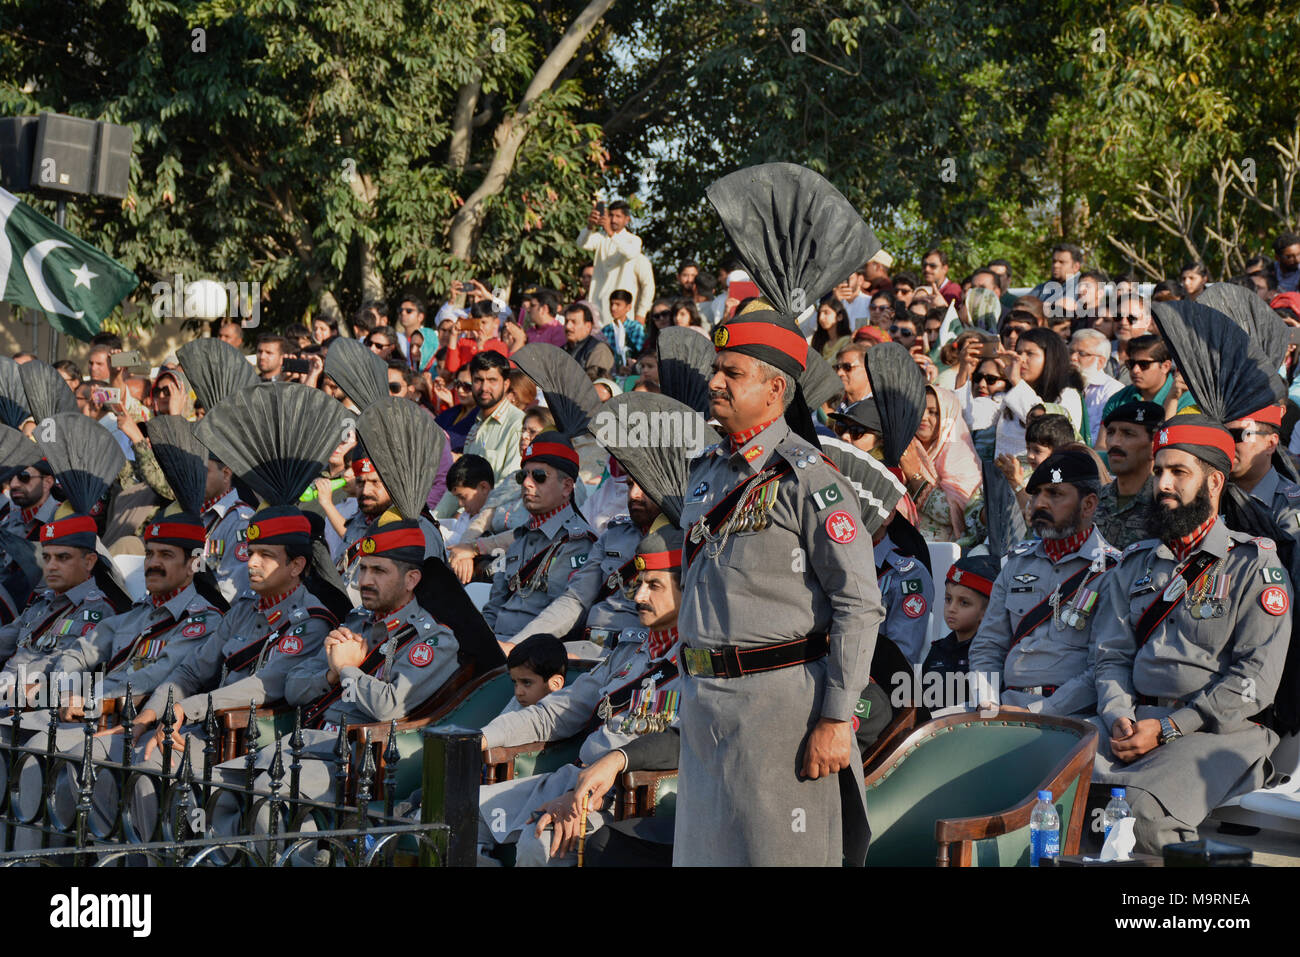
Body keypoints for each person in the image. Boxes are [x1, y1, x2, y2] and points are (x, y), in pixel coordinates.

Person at [675, 299, 881, 867]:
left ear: (774, 389)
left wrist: (838, 718)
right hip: (703, 705)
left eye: (732, 373)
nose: (714, 381)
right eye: (716, 369)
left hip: (781, 713)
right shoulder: (706, 471)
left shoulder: (809, 479)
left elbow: (859, 603)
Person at [1090, 416, 1292, 853]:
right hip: (1131, 723)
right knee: (1043, 769)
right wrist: (1118, 715)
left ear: (1214, 482)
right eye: (1159, 470)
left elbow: (1254, 678)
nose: (1162, 483)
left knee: (1140, 812)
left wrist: (1168, 728)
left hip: (1219, 733)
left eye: (1178, 472)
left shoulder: (1254, 565)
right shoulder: (1136, 563)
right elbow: (1110, 656)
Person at [478, 525, 685, 866]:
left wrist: (583, 797)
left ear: (686, 588)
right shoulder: (631, 648)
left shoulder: (697, 662)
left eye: (654, 586)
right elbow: (559, 710)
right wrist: (482, 737)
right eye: (638, 584)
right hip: (574, 781)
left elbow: (680, 742)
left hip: (624, 797)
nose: (638, 597)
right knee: (466, 815)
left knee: (539, 844)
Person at [969, 448, 1120, 716]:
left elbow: (1104, 664)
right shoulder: (1015, 563)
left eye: (1054, 494)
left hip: (1073, 715)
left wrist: (1042, 711)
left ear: (1088, 504)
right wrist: (987, 703)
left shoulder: (1112, 571)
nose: (1039, 503)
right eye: (1037, 493)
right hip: (1004, 706)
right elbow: (988, 646)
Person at [479, 433, 596, 645]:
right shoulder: (521, 537)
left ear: (567, 486)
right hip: (498, 648)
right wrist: (481, 643)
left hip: (534, 654)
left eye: (539, 476)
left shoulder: (577, 542)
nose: (527, 483)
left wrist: (514, 646)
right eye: (522, 476)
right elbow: (495, 605)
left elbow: (566, 611)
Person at [921, 555, 1002, 709]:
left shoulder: (992, 657)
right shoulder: (938, 650)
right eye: (948, 599)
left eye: (964, 603)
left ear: (987, 611)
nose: (951, 608)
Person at [995, 326, 1083, 459]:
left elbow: (1047, 429)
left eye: (1030, 353)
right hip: (1002, 475)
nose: (1021, 359)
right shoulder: (1011, 392)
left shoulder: (1067, 395)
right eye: (1019, 353)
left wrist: (1016, 382)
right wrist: (964, 371)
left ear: (1050, 358)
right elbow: (974, 419)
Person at [914, 385, 982, 542]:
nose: (923, 417)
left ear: (948, 417)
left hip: (946, 552)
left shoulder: (963, 460)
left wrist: (914, 476)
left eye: (933, 412)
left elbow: (957, 514)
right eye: (919, 409)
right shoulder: (907, 448)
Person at [1225, 402, 1300, 540]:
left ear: (1270, 444)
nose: (1228, 444)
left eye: (1239, 435)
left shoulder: (1291, 506)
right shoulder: (1212, 496)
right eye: (1224, 435)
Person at [1094, 401, 1163, 549]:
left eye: (1128, 434)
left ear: (1154, 446)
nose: (1114, 442)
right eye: (1110, 433)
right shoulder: (1093, 502)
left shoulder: (1163, 504)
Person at [578, 200, 642, 320]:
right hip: (598, 302)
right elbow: (581, 243)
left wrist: (611, 233)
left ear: (627, 219)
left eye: (618, 216)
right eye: (611, 215)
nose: (613, 220)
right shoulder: (601, 237)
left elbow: (630, 253)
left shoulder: (633, 240)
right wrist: (590, 226)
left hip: (621, 304)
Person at [1070, 328, 1123, 445]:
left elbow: (1103, 436)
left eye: (1082, 354)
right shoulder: (1062, 385)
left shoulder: (1113, 391)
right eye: (1070, 351)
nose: (1073, 358)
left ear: (1101, 362)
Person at [441, 454, 495, 548]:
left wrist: (438, 530)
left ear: (484, 487)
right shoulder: (466, 515)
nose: (460, 503)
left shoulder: (492, 520)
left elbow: (463, 543)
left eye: (463, 497)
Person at [504, 634, 567, 711]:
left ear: (555, 684)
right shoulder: (516, 703)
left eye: (527, 683)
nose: (518, 692)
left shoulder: (563, 715)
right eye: (515, 683)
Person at [562, 302, 616, 380]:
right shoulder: (563, 349)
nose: (568, 327)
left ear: (588, 326)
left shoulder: (599, 349)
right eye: (566, 321)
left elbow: (593, 382)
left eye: (574, 322)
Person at [434, 368, 477, 453]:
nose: (460, 390)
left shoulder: (482, 416)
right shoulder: (452, 412)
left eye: (467, 387)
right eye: (457, 384)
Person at [602, 289, 645, 370]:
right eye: (611, 304)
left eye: (618, 304)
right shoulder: (605, 330)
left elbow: (636, 353)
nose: (613, 308)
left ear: (628, 307)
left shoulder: (635, 327)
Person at [833, 342, 872, 408]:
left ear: (868, 370)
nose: (839, 373)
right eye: (837, 367)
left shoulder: (881, 409)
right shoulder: (832, 406)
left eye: (847, 367)